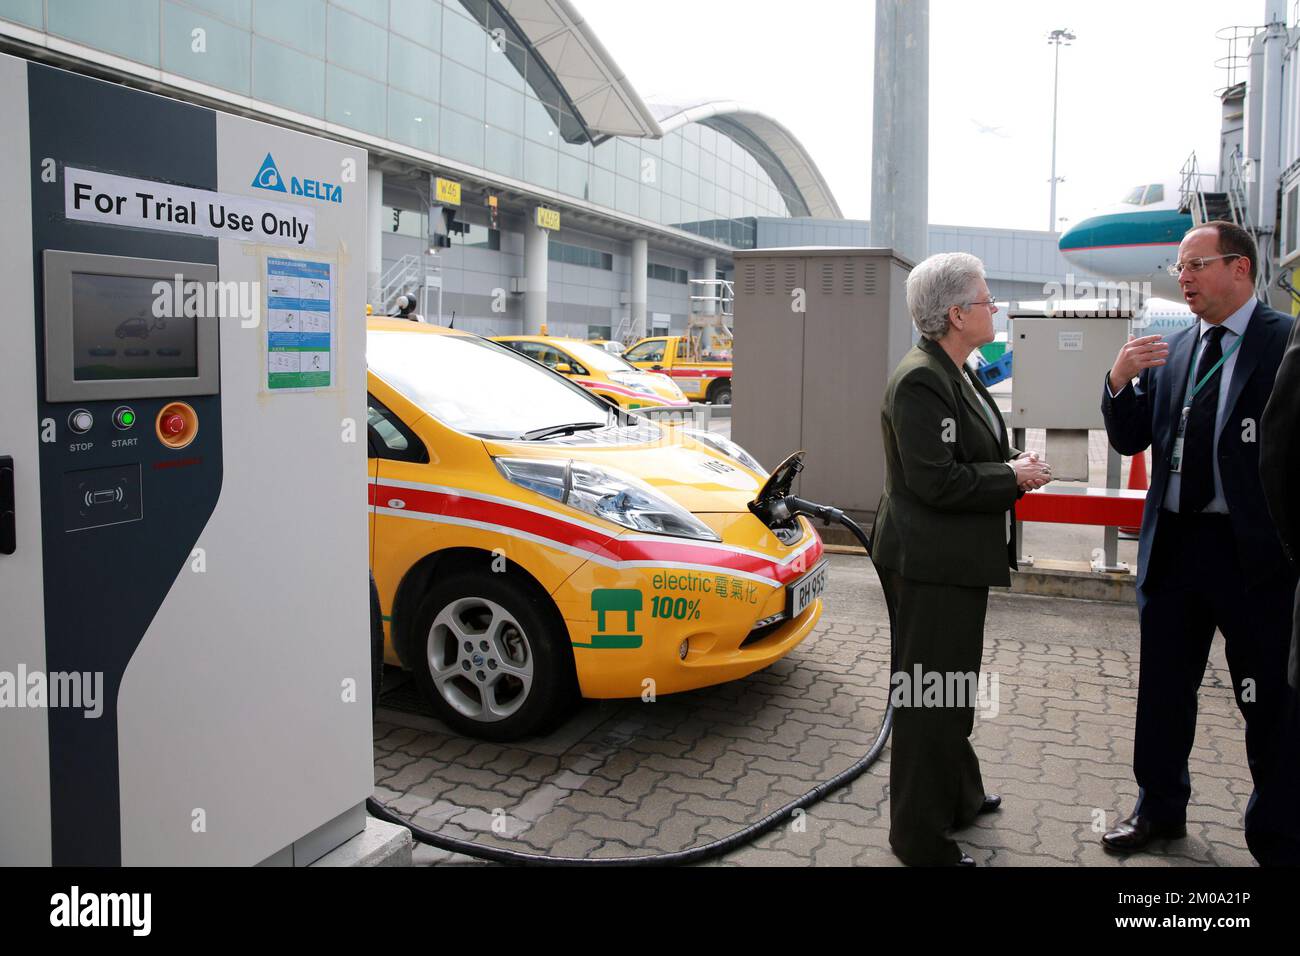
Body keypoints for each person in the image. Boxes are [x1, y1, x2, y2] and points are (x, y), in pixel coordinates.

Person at [1099, 220, 1300, 865]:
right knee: (1163, 689)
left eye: (1195, 265)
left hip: (1253, 558)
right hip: (1176, 549)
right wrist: (1118, 381)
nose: (1181, 278)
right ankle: (1158, 809)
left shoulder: (1286, 341)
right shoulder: (1177, 348)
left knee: (1266, 697)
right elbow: (1132, 439)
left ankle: (1277, 830)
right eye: (1178, 268)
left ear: (1239, 268)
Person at [872, 252, 1052, 866]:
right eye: (985, 297)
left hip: (949, 562)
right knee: (929, 696)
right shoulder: (922, 378)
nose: (994, 305)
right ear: (955, 314)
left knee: (952, 686)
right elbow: (937, 483)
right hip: (929, 564)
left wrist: (1007, 468)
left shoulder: (956, 367)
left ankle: (960, 796)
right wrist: (1012, 475)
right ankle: (918, 838)